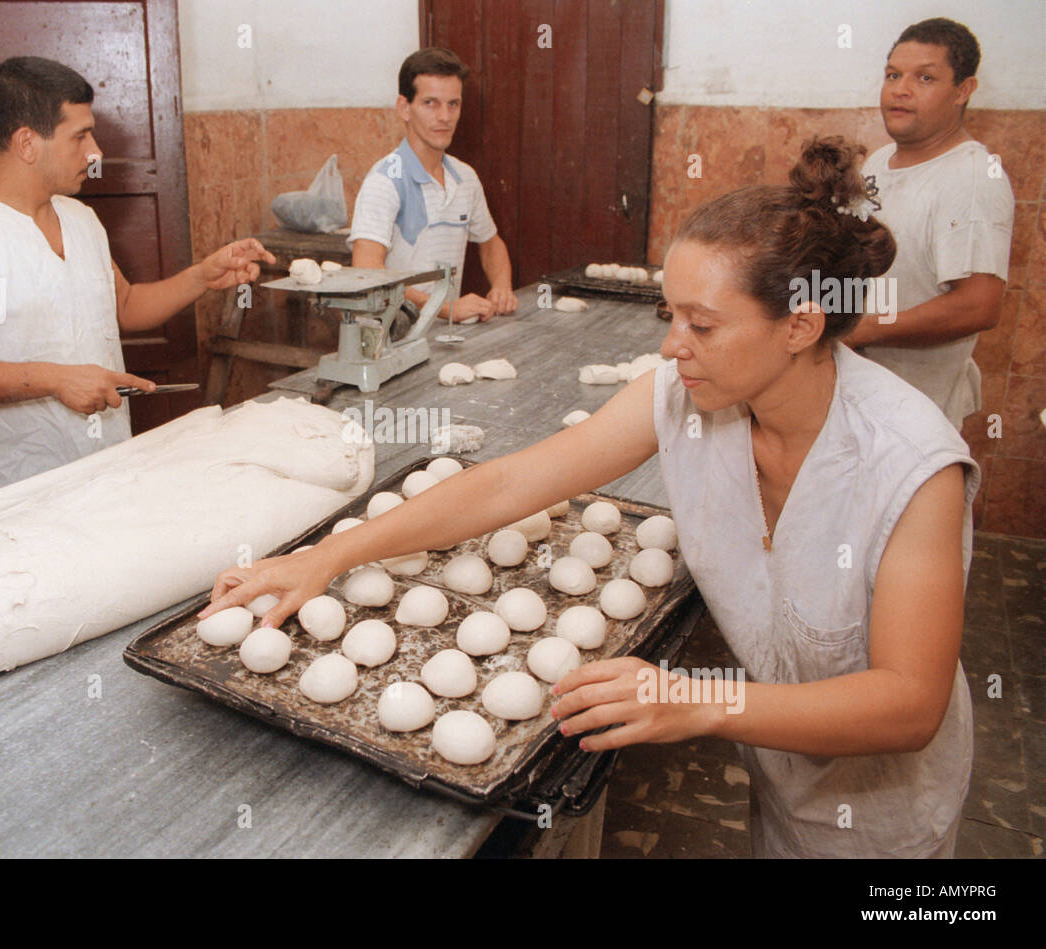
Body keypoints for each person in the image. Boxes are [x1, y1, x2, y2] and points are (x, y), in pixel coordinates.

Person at [201, 137, 978, 859]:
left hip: (886, 819)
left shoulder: (911, 468)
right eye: (671, 316)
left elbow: (909, 704)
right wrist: (325, 557)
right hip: (779, 781)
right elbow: (510, 482)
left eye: (702, 325)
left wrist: (695, 700)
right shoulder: (683, 397)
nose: (673, 346)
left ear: (800, 326)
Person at [0, 56, 274, 502]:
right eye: (80, 136)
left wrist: (202, 276)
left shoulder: (81, 219)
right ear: (26, 142)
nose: (95, 152)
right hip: (11, 489)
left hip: (105, 464)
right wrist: (55, 379)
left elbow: (125, 306)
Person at [845, 17, 1012, 429]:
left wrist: (860, 330)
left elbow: (978, 306)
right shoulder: (881, 162)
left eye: (925, 77)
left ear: (963, 90)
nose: (900, 89)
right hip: (859, 390)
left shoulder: (971, 179)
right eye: (893, 75)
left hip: (914, 412)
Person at [349, 47, 518, 326]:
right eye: (431, 103)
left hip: (446, 335)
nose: (445, 117)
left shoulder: (465, 177)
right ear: (404, 107)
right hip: (390, 340)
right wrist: (443, 307)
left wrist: (501, 285)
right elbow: (367, 272)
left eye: (453, 104)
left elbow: (490, 243)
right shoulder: (384, 180)